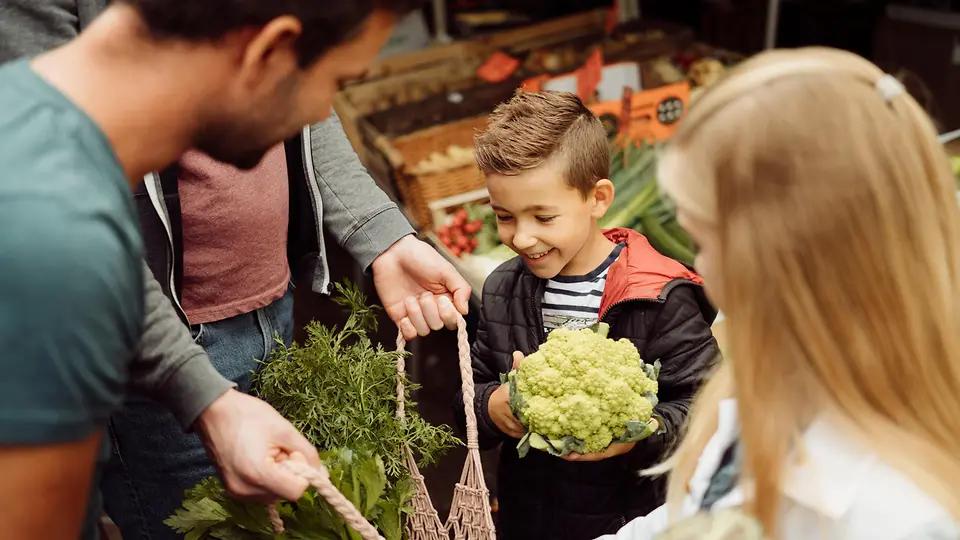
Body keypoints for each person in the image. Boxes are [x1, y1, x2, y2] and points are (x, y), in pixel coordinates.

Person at [0, 0, 433, 538]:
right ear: (269, 52)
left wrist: (213, 407)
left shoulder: (30, 135)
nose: (323, 112)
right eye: (337, 81)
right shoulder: (47, 238)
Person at [599, 47, 960, 540]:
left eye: (702, 242)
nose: (696, 265)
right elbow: (692, 516)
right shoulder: (767, 386)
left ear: (782, 264)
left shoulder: (900, 519)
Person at [452, 89, 720, 540]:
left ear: (597, 199)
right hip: (528, 516)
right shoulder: (502, 289)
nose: (521, 237)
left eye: (543, 217)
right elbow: (467, 394)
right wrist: (489, 407)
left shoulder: (659, 296)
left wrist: (645, 430)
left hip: (628, 519)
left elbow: (706, 406)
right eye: (505, 216)